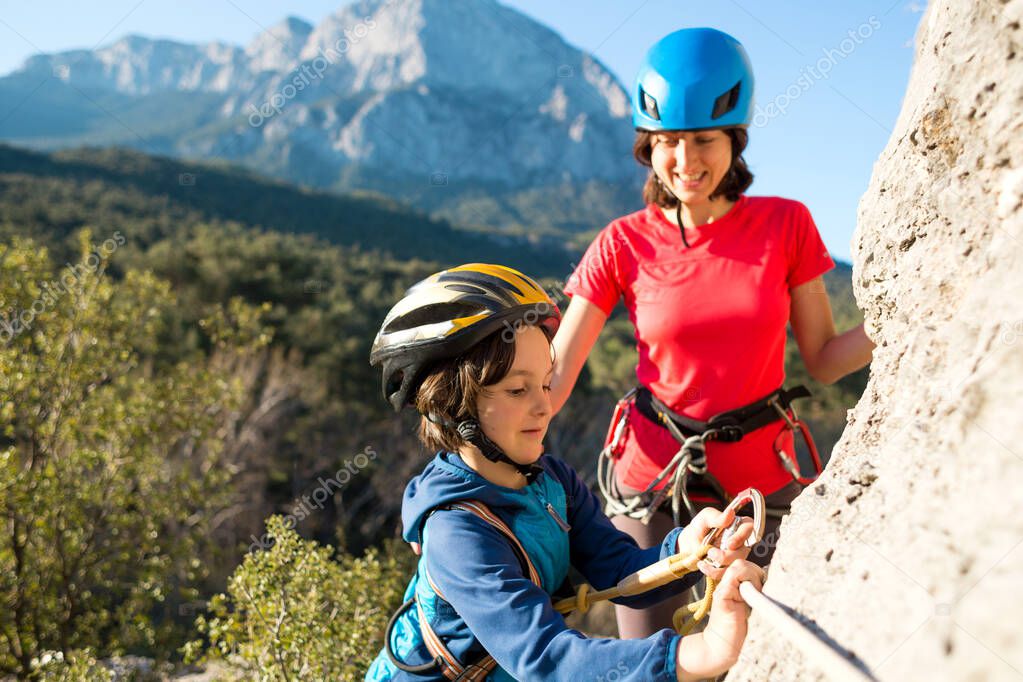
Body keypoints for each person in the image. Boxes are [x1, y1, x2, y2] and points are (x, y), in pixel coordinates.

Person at [549, 28, 876, 639]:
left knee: (766, 653)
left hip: (760, 481)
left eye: (704, 138)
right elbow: (555, 377)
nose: (686, 159)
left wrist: (906, 317)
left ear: (735, 139)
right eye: (669, 141)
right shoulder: (621, 243)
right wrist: (467, 471)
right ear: (648, 146)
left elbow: (827, 359)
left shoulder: (786, 224)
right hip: (651, 479)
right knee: (649, 663)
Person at [365, 263, 765, 681]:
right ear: (451, 405)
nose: (544, 406)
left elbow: (618, 566)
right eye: (517, 390)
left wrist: (688, 548)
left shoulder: (550, 480)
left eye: (544, 384)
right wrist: (702, 651)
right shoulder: (456, 534)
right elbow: (544, 657)